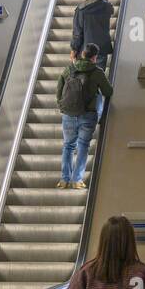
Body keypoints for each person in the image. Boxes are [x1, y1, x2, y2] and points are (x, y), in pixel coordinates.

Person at [56, 41, 113, 190]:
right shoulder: (97, 72)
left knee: (68, 145)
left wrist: (61, 106)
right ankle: (77, 180)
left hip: (68, 114)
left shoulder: (69, 69)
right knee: (82, 146)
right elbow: (109, 92)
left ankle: (64, 180)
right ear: (94, 58)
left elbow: (59, 89)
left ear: (82, 54)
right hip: (88, 115)